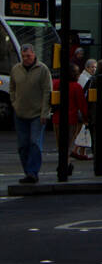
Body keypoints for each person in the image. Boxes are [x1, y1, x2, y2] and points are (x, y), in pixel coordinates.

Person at [9, 44, 52, 183]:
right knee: (22, 145)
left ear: (34, 54)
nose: (26, 59)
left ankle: (33, 172)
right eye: (23, 56)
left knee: (34, 142)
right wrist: (14, 103)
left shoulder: (43, 69)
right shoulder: (16, 69)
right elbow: (12, 88)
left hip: (37, 114)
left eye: (28, 56)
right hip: (20, 112)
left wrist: (45, 112)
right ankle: (28, 172)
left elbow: (47, 91)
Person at [52, 62, 88, 174]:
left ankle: (64, 164)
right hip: (71, 119)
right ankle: (65, 165)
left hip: (57, 119)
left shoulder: (56, 84)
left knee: (60, 144)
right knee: (68, 144)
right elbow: (82, 105)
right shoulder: (76, 87)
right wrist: (86, 118)